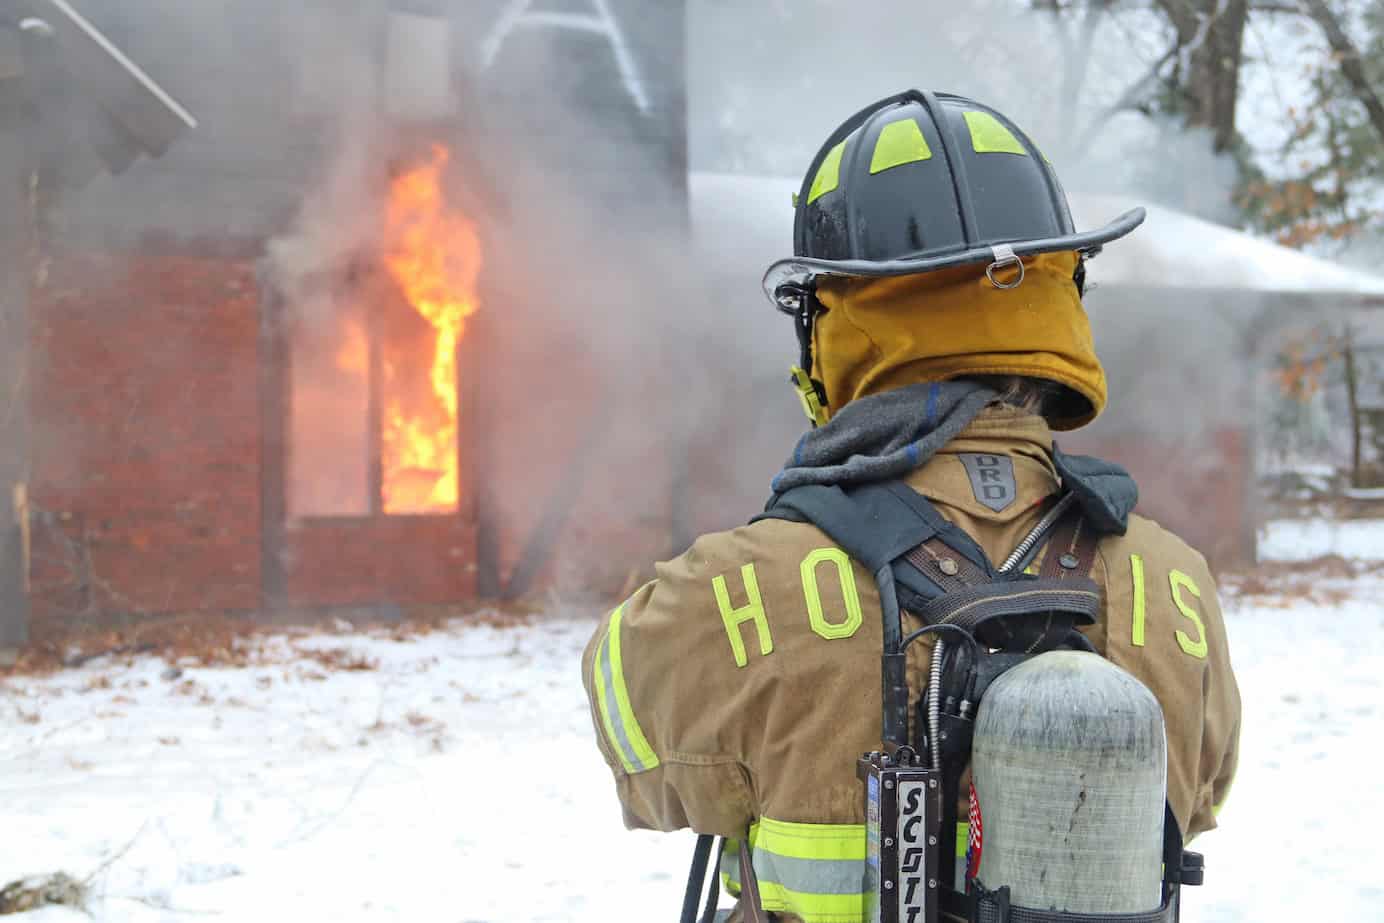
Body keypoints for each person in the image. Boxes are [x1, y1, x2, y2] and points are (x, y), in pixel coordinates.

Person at [581, 90, 1240, 923]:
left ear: (834, 324)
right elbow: (1203, 791)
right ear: (1060, 300)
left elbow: (630, 744)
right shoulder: (1175, 584)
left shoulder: (735, 585)